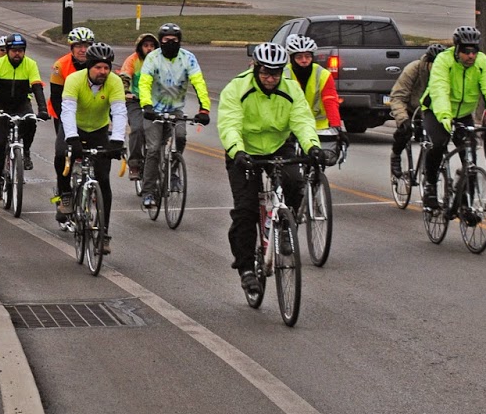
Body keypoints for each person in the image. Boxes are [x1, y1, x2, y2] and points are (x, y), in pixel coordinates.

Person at [217, 42, 322, 301]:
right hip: (244, 151)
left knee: (296, 181)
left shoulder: (290, 88)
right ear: (254, 67)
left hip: (278, 146)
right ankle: (244, 268)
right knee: (245, 210)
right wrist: (237, 151)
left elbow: (302, 120)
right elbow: (229, 123)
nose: (270, 78)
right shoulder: (237, 88)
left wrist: (312, 146)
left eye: (275, 73)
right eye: (265, 72)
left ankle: (287, 228)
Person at [419, 26, 486, 209]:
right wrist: (445, 116)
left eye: (474, 51)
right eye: (466, 52)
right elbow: (439, 89)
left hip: (464, 114)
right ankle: (430, 186)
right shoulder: (444, 61)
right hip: (436, 111)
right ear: (457, 49)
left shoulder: (482, 63)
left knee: (470, 157)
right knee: (438, 143)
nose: (471, 56)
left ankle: (467, 204)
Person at [60, 41, 126, 254]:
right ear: (89, 66)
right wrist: (72, 137)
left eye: (106, 67)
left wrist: (117, 141)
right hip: (75, 128)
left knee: (103, 180)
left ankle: (104, 233)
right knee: (61, 155)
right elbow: (68, 110)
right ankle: (66, 196)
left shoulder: (114, 82)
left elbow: (119, 111)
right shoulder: (74, 80)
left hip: (98, 130)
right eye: (98, 67)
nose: (103, 71)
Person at [138, 23, 211, 208]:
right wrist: (146, 105)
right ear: (160, 42)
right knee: (154, 149)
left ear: (180, 41)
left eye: (174, 40)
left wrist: (204, 109)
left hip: (176, 109)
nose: (170, 43)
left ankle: (173, 171)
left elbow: (199, 83)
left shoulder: (188, 58)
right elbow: (144, 83)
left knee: (181, 136)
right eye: (166, 40)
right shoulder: (152, 58)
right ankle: (147, 191)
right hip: (153, 110)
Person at [0, 32, 50, 199]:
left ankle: (25, 152)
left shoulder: (30, 64)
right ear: (8, 50)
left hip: (20, 105)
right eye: (13, 50)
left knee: (31, 122)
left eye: (20, 50)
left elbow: (37, 87)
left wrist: (43, 109)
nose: (17, 53)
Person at [49, 26, 95, 222]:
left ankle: (93, 186)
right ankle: (65, 194)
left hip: (91, 116)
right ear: (71, 47)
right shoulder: (60, 66)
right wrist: (68, 125)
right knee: (62, 153)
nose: (82, 50)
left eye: (86, 46)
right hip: (63, 114)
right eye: (78, 46)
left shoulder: (98, 65)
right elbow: (56, 99)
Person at [389, 44, 445, 178]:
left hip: (432, 111)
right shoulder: (413, 69)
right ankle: (395, 155)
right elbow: (397, 97)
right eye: (434, 65)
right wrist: (403, 119)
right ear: (428, 63)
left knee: (437, 139)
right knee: (405, 131)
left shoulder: (446, 72)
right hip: (411, 108)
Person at [119, 31, 159, 181]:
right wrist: (126, 91)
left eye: (152, 46)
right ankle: (135, 164)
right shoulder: (133, 60)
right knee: (137, 128)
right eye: (146, 45)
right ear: (140, 47)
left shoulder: (160, 61)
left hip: (156, 102)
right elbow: (124, 77)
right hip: (135, 101)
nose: (149, 49)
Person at [283, 35, 342, 131]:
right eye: (299, 57)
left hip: (317, 127)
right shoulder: (283, 74)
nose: (304, 60)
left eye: (307, 56)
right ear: (292, 58)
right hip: (289, 126)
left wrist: (336, 126)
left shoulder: (323, 74)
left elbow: (330, 101)